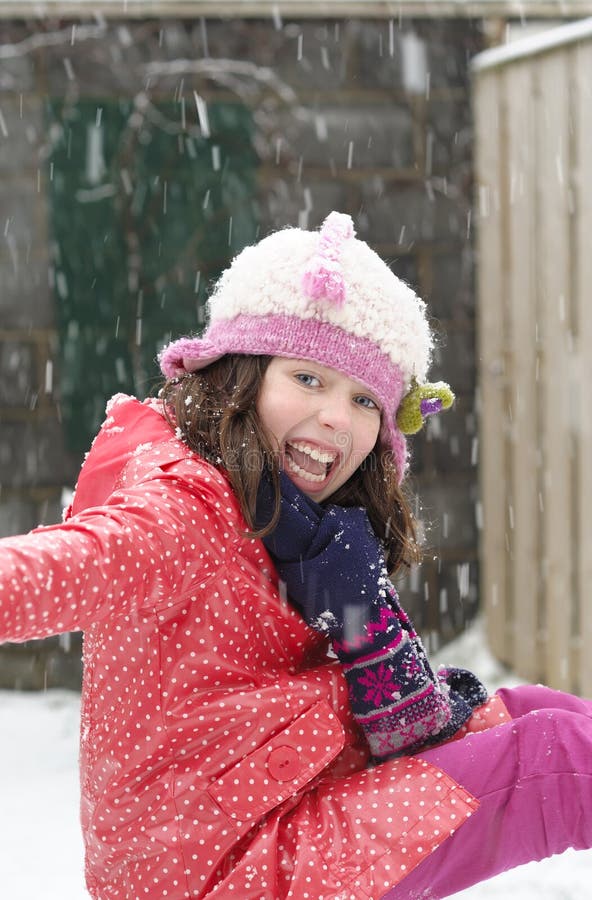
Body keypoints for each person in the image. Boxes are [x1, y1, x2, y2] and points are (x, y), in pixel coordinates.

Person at [1, 211, 592, 900]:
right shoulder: (182, 511)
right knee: (566, 764)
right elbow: (56, 570)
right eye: (308, 379)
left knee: (537, 714)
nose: (339, 417)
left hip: (266, 806)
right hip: (221, 869)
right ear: (238, 377)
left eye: (365, 397)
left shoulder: (294, 523)